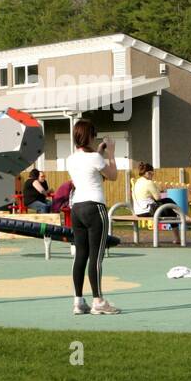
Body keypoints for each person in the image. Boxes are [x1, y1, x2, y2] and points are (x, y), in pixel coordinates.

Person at [67, 119, 120, 315]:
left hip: (77, 208)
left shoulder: (71, 159)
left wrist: (98, 151)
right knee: (96, 257)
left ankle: (78, 301)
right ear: (89, 135)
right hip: (95, 207)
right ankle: (98, 301)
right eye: (94, 134)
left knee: (80, 255)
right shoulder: (96, 159)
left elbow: (88, 170)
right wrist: (111, 155)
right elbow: (112, 175)